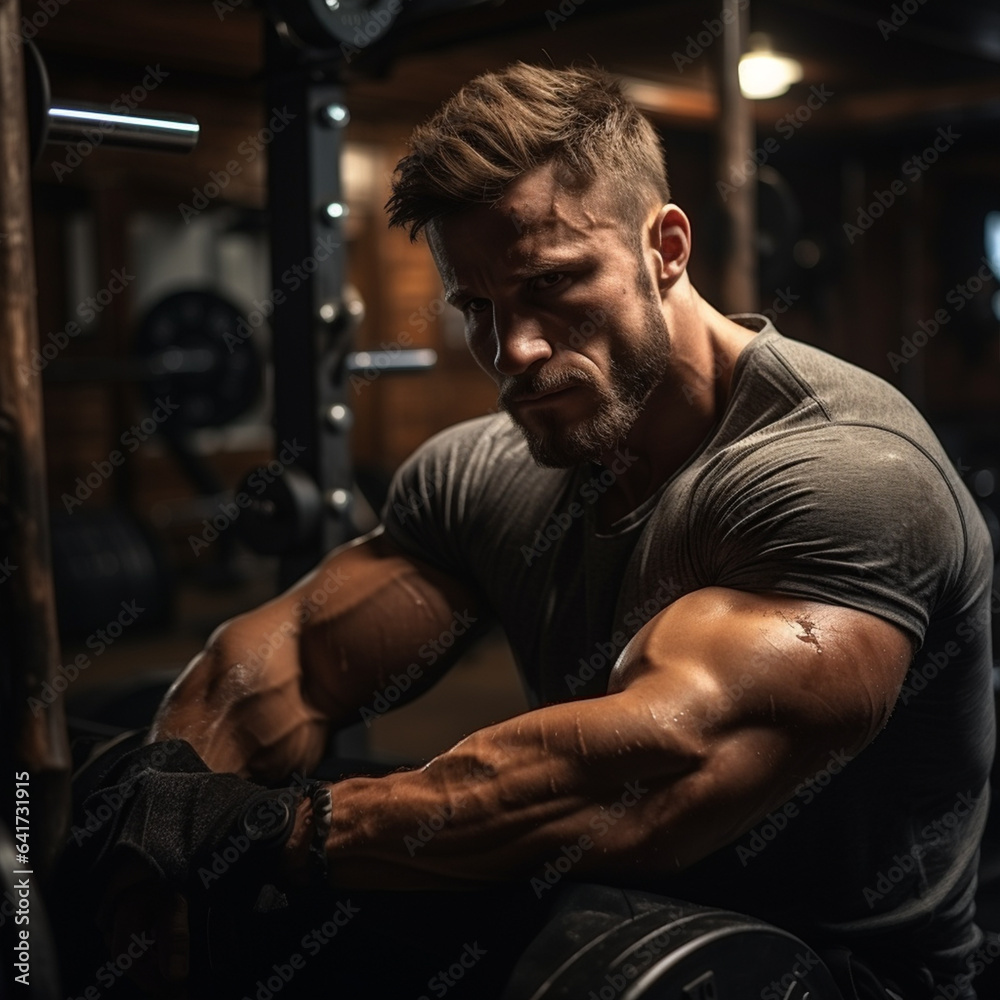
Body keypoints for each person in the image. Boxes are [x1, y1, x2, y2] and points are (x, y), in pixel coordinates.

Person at [78, 63, 993, 999]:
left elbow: (647, 781)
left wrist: (268, 836)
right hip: (606, 916)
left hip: (834, 972)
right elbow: (295, 661)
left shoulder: (844, 472)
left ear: (666, 247)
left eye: (552, 284)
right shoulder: (493, 467)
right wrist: (156, 831)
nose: (513, 351)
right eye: (476, 306)